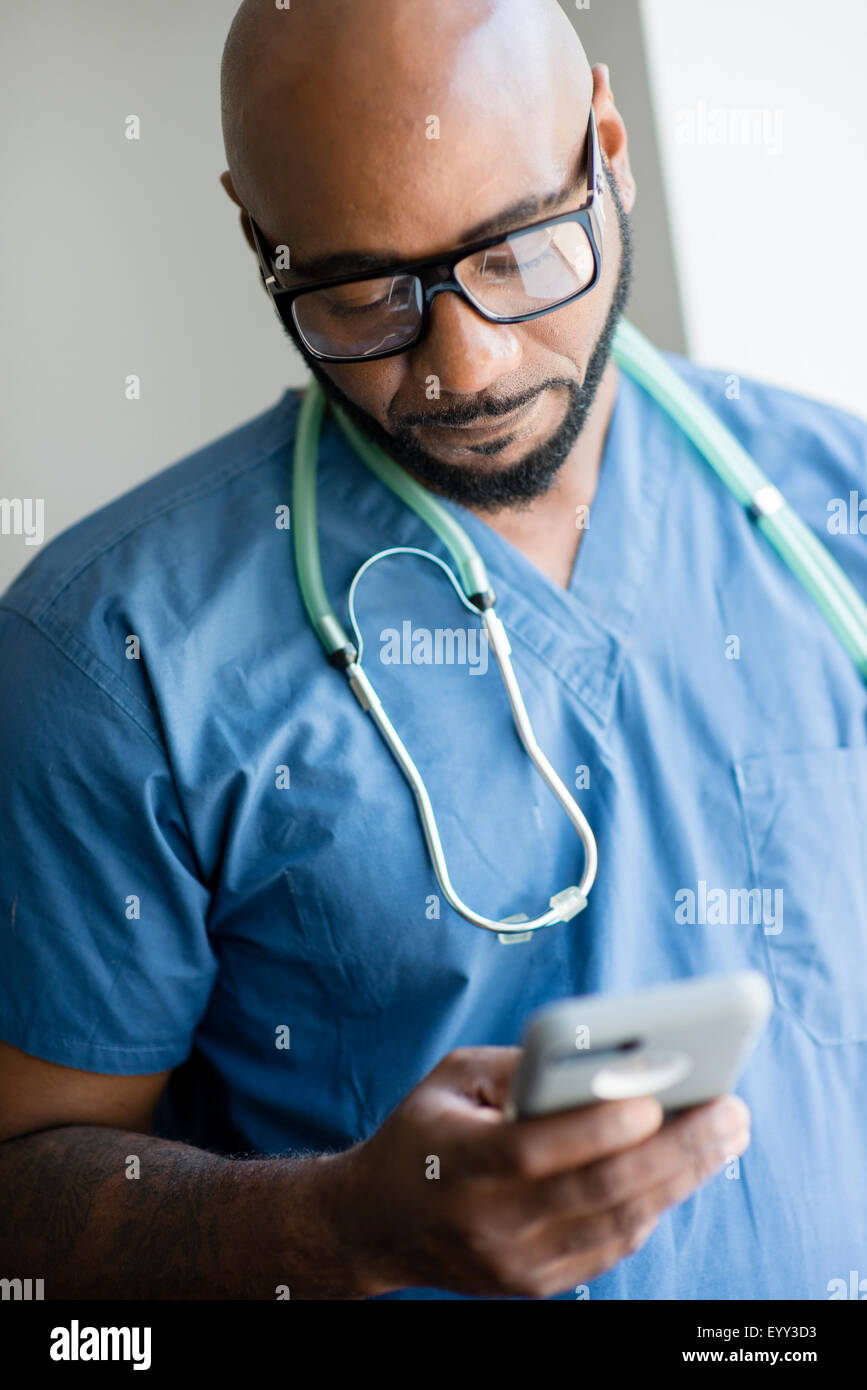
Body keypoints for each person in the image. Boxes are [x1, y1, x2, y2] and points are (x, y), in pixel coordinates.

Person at [0, 0, 864, 1302]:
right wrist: (348, 1225)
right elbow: (22, 1190)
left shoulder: (833, 503)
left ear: (608, 146)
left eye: (517, 250)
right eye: (361, 292)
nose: (468, 365)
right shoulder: (108, 652)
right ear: (257, 237)